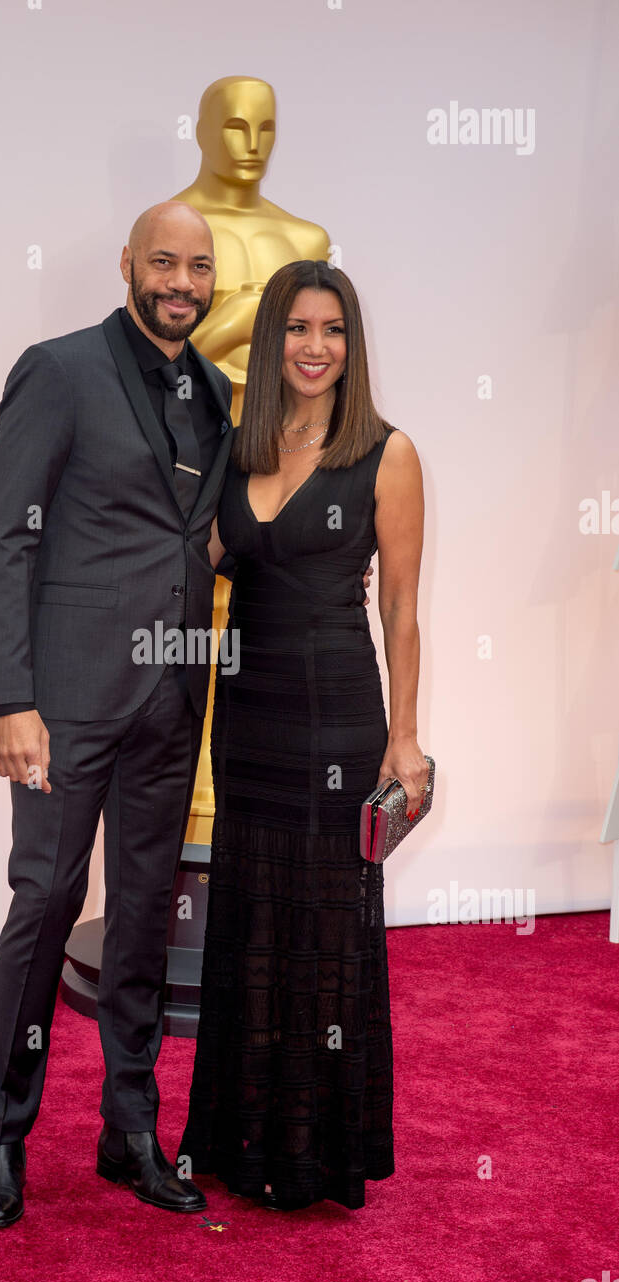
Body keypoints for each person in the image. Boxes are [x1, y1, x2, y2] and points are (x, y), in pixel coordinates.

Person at [0, 201, 238, 1227]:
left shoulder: (212, 392)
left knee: (140, 919)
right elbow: (7, 540)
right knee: (42, 904)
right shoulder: (59, 368)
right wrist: (11, 698)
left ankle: (130, 1130)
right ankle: (1, 1136)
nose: (181, 280)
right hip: (65, 704)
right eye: (163, 261)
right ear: (129, 263)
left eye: (197, 266)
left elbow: (199, 538)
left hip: (173, 695)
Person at [179, 260, 428, 1212]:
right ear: (270, 338)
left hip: (336, 711)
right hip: (246, 715)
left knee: (325, 925)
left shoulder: (386, 454)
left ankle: (317, 1154)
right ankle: (242, 1143)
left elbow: (401, 608)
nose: (314, 346)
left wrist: (403, 740)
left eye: (331, 329)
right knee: (249, 913)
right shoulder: (239, 452)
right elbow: (194, 557)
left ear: (350, 344)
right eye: (295, 328)